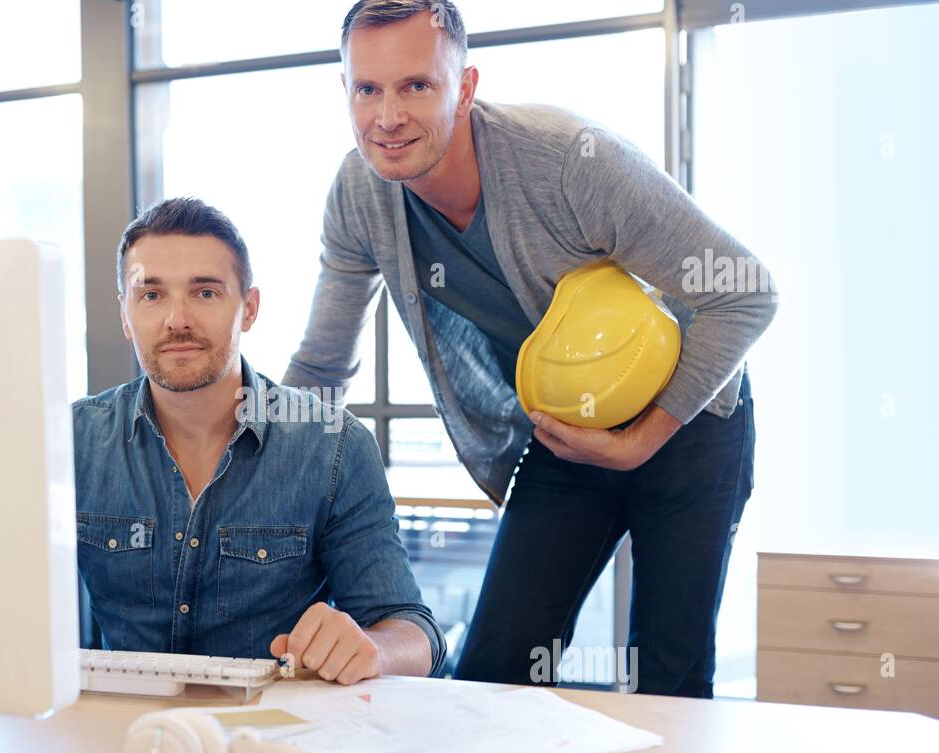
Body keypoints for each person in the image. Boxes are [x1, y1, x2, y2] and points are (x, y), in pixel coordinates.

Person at [283, 0, 776, 697]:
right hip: (568, 436)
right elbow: (322, 366)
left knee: (670, 680)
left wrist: (641, 441)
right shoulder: (360, 194)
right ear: (346, 92)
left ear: (466, 86)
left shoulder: (570, 162)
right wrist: (252, 469)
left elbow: (747, 292)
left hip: (689, 421)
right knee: (493, 669)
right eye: (368, 88)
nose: (387, 116)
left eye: (416, 85)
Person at [74, 196, 446, 684]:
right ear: (125, 314)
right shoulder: (71, 442)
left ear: (248, 309)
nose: (177, 320)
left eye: (205, 293)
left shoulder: (333, 446)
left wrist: (372, 648)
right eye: (151, 295)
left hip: (277, 742)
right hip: (121, 738)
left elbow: (416, 633)